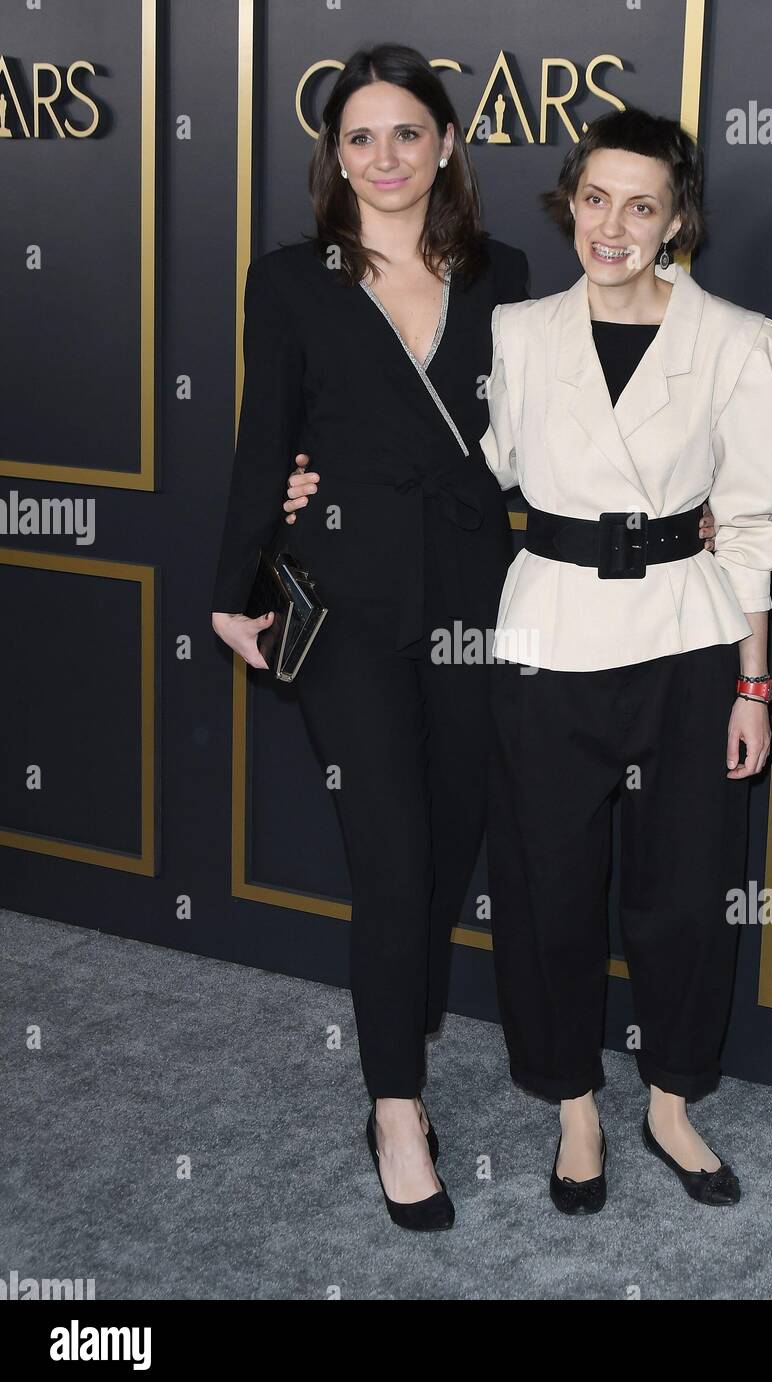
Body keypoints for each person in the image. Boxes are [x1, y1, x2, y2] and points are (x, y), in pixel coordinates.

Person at [210, 44, 533, 1231]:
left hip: (478, 595)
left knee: (450, 844)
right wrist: (232, 583)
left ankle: (403, 1009)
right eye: (360, 137)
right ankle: (396, 1106)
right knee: (392, 859)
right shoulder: (290, 281)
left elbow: (556, 431)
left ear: (445, 144)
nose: (384, 157)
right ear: (333, 155)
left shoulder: (511, 274)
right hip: (344, 602)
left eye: (408, 133)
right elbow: (263, 443)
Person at [477, 107, 772, 1213]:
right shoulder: (515, 333)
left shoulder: (743, 344)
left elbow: (753, 528)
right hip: (545, 633)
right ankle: (573, 1104)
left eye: (642, 205)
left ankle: (670, 1100)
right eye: (595, 198)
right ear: (571, 201)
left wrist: (753, 682)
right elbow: (468, 471)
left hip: (689, 640)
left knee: (682, 891)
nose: (613, 225)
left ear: (677, 221)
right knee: (546, 886)